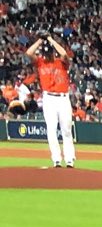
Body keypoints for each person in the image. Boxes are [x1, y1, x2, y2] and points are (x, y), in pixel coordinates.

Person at [27, 33, 74, 170]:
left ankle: (70, 159)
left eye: (49, 53)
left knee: (66, 130)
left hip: (63, 97)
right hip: (48, 98)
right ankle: (57, 160)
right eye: (45, 53)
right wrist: (40, 40)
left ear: (53, 53)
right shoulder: (40, 62)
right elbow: (29, 53)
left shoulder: (61, 63)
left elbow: (64, 54)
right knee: (51, 129)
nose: (47, 55)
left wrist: (51, 40)